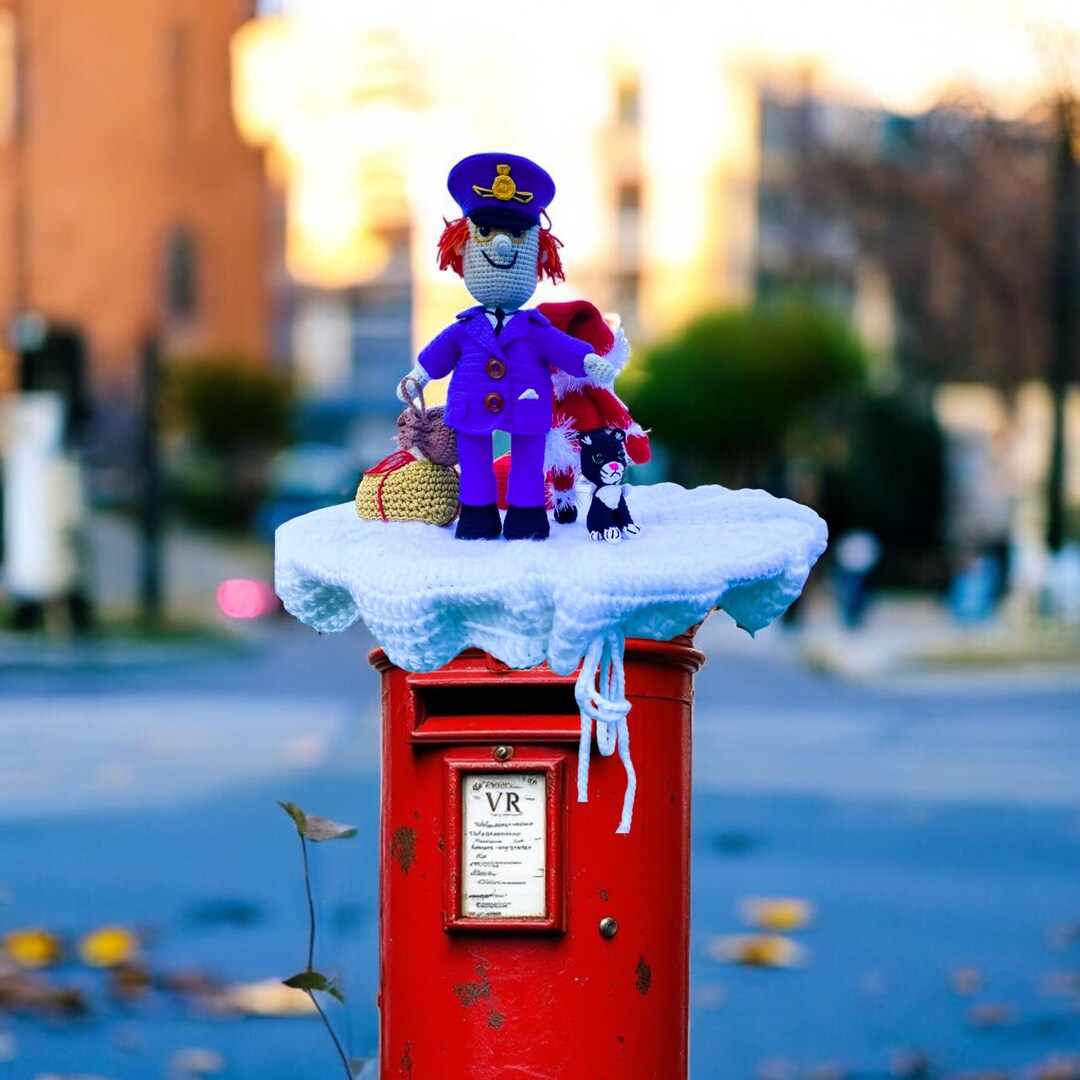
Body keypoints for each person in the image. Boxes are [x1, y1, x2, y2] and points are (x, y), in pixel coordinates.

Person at [398, 153, 613, 540]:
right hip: (469, 403)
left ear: (538, 257)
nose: (500, 247)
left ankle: (526, 516)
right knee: (475, 463)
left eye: (516, 237)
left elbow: (563, 348)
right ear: (462, 253)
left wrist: (589, 361)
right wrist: (419, 375)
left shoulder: (535, 328)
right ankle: (478, 515)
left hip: (528, 403)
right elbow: (439, 354)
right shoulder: (465, 327)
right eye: (486, 235)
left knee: (528, 464)